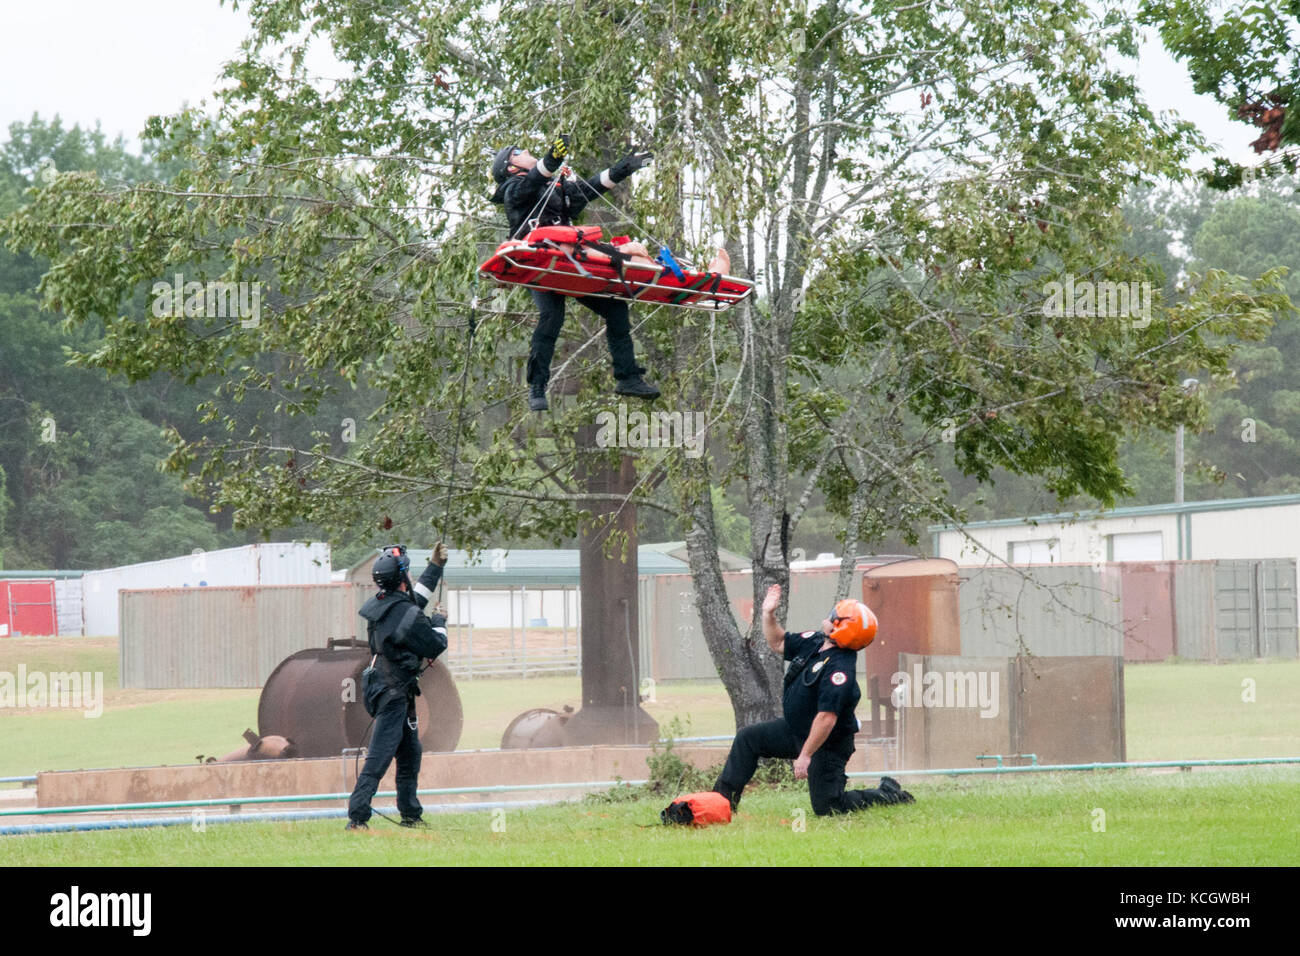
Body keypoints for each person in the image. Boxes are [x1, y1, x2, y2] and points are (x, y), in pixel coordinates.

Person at [711, 584, 915, 816]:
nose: (828, 617)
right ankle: (721, 805)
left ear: (841, 629)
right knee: (748, 739)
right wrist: (768, 614)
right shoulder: (817, 641)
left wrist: (805, 755)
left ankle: (887, 794)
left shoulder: (840, 670)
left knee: (828, 807)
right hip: (796, 730)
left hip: (826, 744)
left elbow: (826, 718)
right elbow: (778, 642)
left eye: (833, 616)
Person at [489, 134, 661, 411]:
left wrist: (625, 167)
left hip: (570, 263)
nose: (527, 150)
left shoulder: (555, 192)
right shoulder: (514, 189)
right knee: (551, 316)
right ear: (510, 168)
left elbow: (590, 188)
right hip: (540, 264)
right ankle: (536, 386)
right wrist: (551, 160)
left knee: (617, 311)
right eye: (519, 151)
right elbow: (533, 180)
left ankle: (628, 378)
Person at [346, 542, 450, 830]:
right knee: (379, 758)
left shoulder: (385, 604)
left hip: (390, 689)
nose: (413, 578)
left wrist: (435, 566)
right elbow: (436, 644)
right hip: (393, 694)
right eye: (410, 572)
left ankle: (411, 815)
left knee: (409, 753)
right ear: (402, 577)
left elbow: (415, 601)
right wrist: (439, 622)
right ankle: (357, 817)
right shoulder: (405, 613)